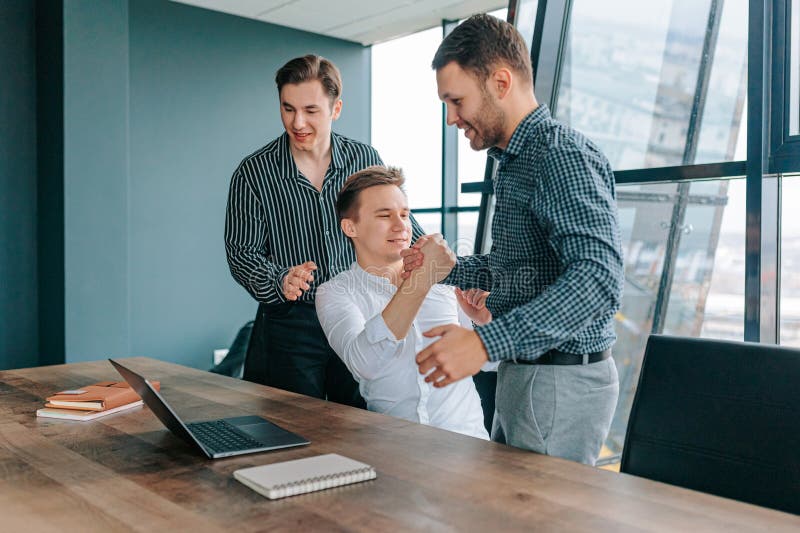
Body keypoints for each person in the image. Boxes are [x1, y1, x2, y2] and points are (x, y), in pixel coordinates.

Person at [402, 14, 624, 465]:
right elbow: (525, 269)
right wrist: (451, 269)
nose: (451, 118)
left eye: (456, 100)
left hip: (559, 382)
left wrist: (483, 344)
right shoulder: (517, 161)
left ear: (500, 81)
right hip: (528, 374)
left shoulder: (558, 155)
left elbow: (599, 280)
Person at [225, 55, 424, 407]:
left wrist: (443, 265)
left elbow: (402, 225)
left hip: (360, 314)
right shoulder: (253, 174)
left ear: (336, 109)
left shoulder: (364, 159)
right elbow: (242, 254)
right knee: (288, 429)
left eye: (310, 110)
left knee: (361, 424)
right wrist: (278, 280)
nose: (297, 122)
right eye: (288, 109)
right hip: (290, 324)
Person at [315, 166, 489, 439]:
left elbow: (488, 363)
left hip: (469, 444)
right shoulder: (336, 293)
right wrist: (420, 282)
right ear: (351, 227)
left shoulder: (445, 281)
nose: (401, 226)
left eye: (405, 215)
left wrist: (484, 323)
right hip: (394, 450)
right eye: (385, 216)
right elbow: (365, 363)